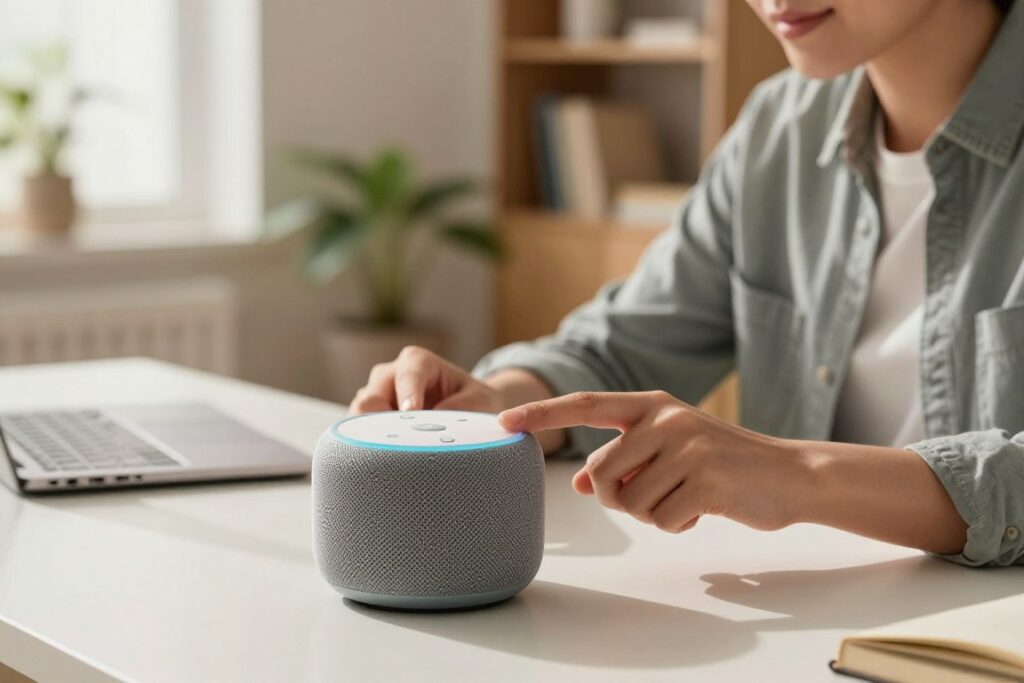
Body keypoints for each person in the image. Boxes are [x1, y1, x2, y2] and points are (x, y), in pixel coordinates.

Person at [350, 0, 1024, 568]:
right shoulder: (779, 130)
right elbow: (623, 345)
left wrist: (799, 475)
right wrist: (501, 402)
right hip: (808, 626)